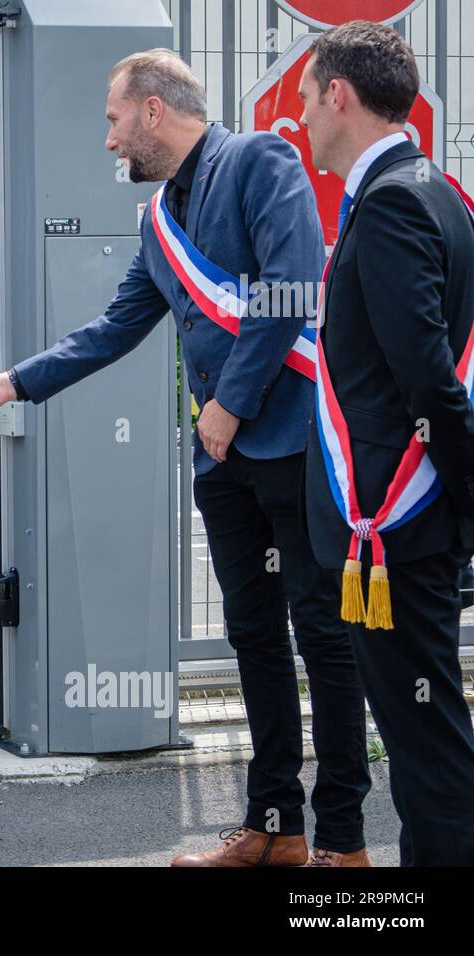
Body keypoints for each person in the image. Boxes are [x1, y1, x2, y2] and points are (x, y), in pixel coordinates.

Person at [0, 50, 371, 866]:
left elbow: (292, 286)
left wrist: (229, 405)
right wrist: (10, 384)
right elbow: (111, 331)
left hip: (291, 444)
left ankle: (345, 844)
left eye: (112, 120)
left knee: (322, 636)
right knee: (254, 637)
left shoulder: (259, 160)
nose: (108, 141)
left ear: (150, 111)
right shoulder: (157, 221)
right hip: (228, 465)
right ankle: (276, 826)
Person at [298, 21, 474, 866]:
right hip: (407, 528)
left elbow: (429, 381)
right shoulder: (437, 188)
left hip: (395, 527)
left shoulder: (398, 199)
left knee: (427, 747)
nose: (297, 116)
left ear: (340, 94)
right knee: (423, 739)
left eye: (305, 96)